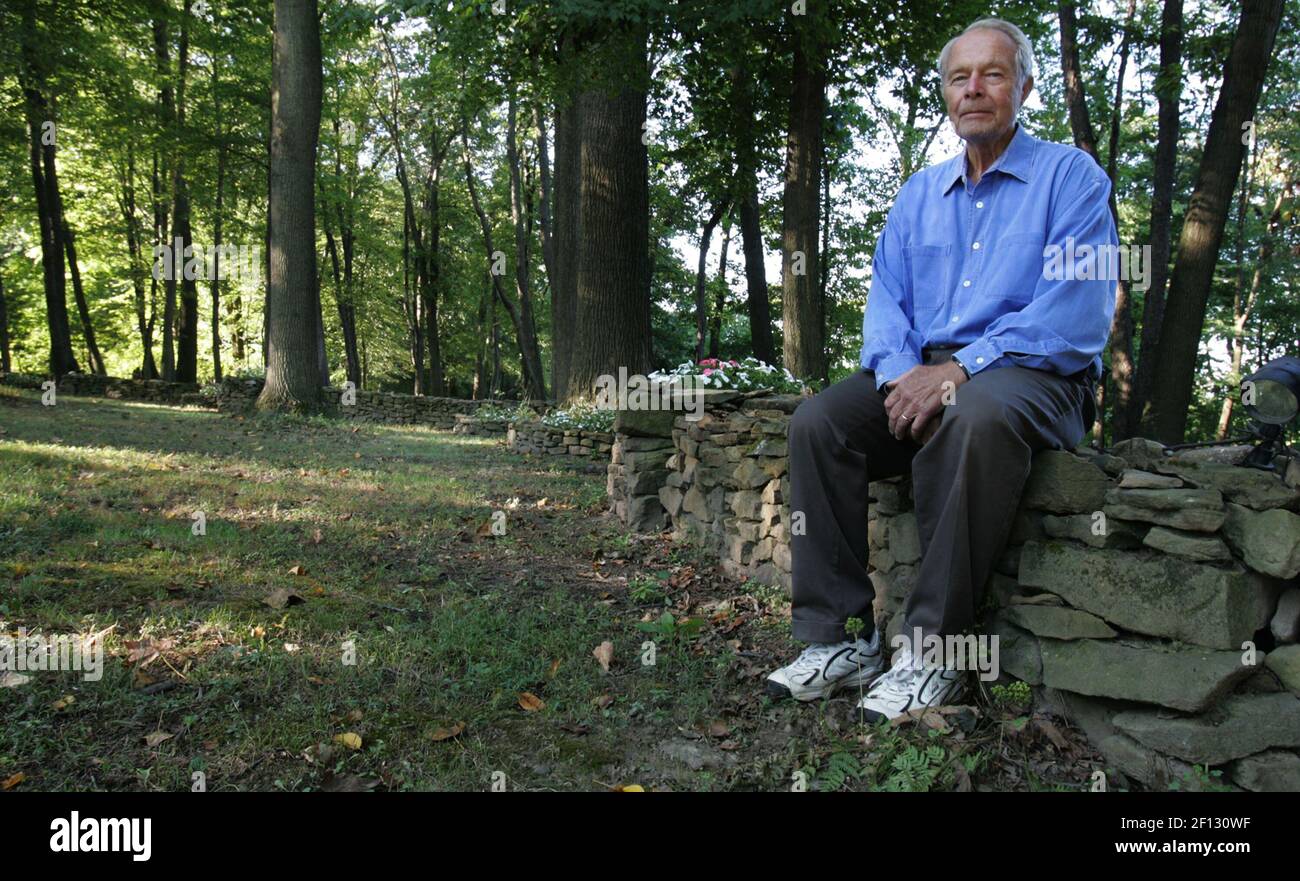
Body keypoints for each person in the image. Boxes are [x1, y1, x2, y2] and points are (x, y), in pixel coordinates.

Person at [766, 17, 1117, 722]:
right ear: (947, 94)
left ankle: (935, 654)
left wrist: (960, 369)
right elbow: (886, 300)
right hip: (925, 370)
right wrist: (902, 373)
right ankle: (840, 639)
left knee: (972, 414)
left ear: (1024, 85)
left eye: (992, 74)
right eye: (960, 78)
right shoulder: (920, 193)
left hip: (1037, 371)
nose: (975, 89)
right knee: (819, 423)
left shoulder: (1071, 177)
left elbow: (1075, 313)